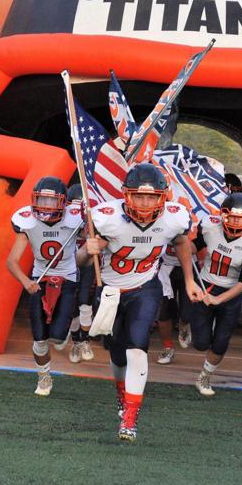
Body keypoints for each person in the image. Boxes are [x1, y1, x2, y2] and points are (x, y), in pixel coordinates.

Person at [85, 163, 201, 442]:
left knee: (137, 346)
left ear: (163, 196)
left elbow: (182, 242)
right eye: (139, 196)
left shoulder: (173, 217)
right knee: (116, 352)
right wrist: (87, 250)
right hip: (111, 290)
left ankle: (130, 417)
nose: (145, 202)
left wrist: (188, 280)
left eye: (151, 196)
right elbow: (80, 259)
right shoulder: (105, 217)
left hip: (144, 287)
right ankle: (120, 392)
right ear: (127, 195)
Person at [5, 177, 83, 395]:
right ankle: (44, 377)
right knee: (40, 340)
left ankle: (71, 330)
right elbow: (11, 261)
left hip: (67, 277)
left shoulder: (75, 218)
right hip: (39, 278)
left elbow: (91, 238)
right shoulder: (27, 222)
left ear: (63, 203)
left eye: (51, 200)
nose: (46, 205)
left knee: (57, 337)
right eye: (43, 199)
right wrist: (26, 281)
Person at [190, 193, 242, 395]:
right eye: (232, 216)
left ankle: (204, 376)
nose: (235, 221)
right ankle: (190, 328)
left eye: (241, 218)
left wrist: (219, 299)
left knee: (222, 340)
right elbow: (195, 245)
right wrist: (181, 246)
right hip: (206, 284)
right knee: (201, 343)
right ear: (223, 215)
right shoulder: (210, 226)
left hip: (231, 292)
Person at [65, 184, 95, 364]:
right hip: (68, 266)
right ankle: (76, 341)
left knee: (85, 300)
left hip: (88, 265)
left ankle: (85, 341)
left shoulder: (93, 218)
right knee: (72, 305)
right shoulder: (64, 219)